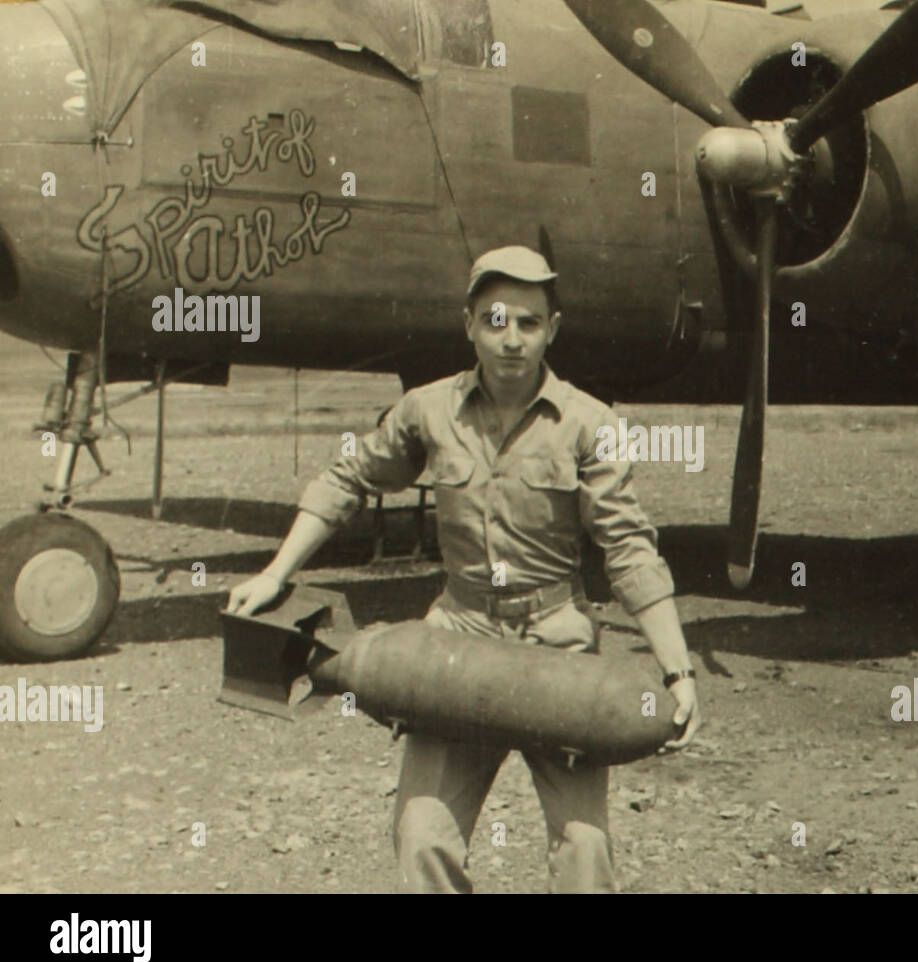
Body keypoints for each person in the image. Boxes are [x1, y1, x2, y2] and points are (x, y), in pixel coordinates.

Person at [225, 245, 700, 893]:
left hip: (557, 643)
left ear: (552, 330)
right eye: (495, 320)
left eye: (528, 323)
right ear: (469, 324)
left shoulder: (593, 425)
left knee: (584, 850)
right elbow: (350, 477)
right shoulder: (428, 410)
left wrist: (677, 669)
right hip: (456, 641)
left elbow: (629, 549)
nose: (511, 339)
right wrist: (277, 571)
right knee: (422, 838)